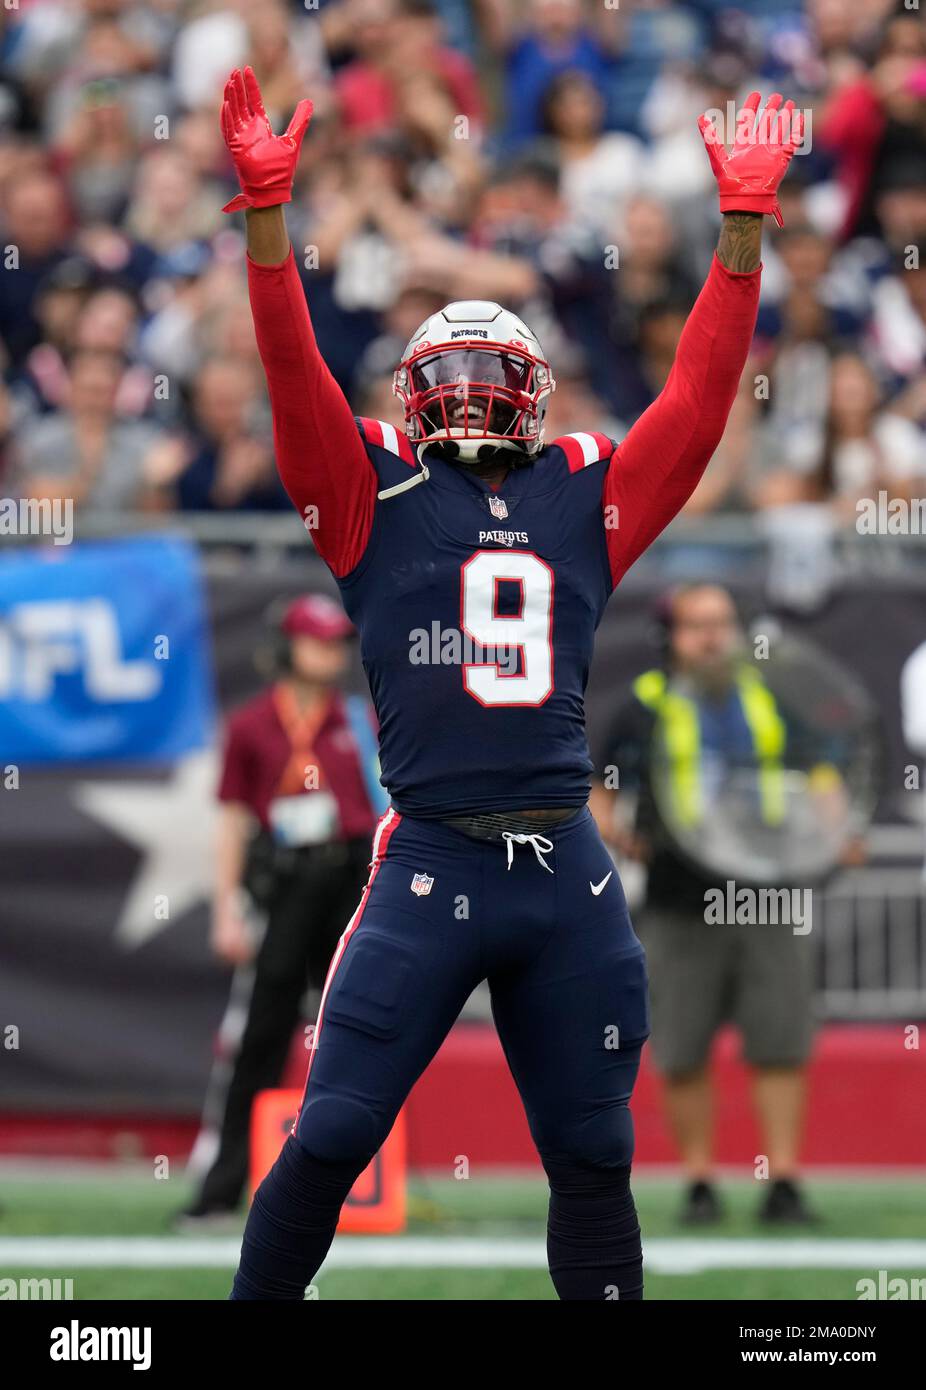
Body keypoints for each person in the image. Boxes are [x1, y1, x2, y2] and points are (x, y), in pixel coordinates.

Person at [219, 66, 802, 1300]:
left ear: (534, 390)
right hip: (431, 855)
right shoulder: (367, 491)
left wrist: (740, 237)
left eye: (494, 367)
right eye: (452, 369)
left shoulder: (583, 489)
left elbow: (696, 406)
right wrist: (267, 229)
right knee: (329, 1134)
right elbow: (288, 375)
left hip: (564, 864)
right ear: (413, 396)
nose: (471, 391)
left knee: (593, 1156)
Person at [590, 584, 819, 1226]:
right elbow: (599, 785)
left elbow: (823, 769)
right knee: (682, 1046)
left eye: (722, 623)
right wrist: (618, 835)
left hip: (769, 898)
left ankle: (785, 1181)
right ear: (671, 637)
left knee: (780, 1041)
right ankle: (699, 1181)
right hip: (680, 901)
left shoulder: (769, 695)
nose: (713, 637)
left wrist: (831, 830)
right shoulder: (644, 706)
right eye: (697, 626)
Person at [181, 593, 384, 1223]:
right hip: (286, 886)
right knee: (259, 1039)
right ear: (285, 647)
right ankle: (221, 1189)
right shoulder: (250, 725)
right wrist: (226, 909)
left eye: (335, 642)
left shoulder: (358, 720)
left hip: (349, 881)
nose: (329, 652)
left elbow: (382, 810)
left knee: (354, 1033)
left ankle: (358, 1189)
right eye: (316, 640)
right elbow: (235, 821)